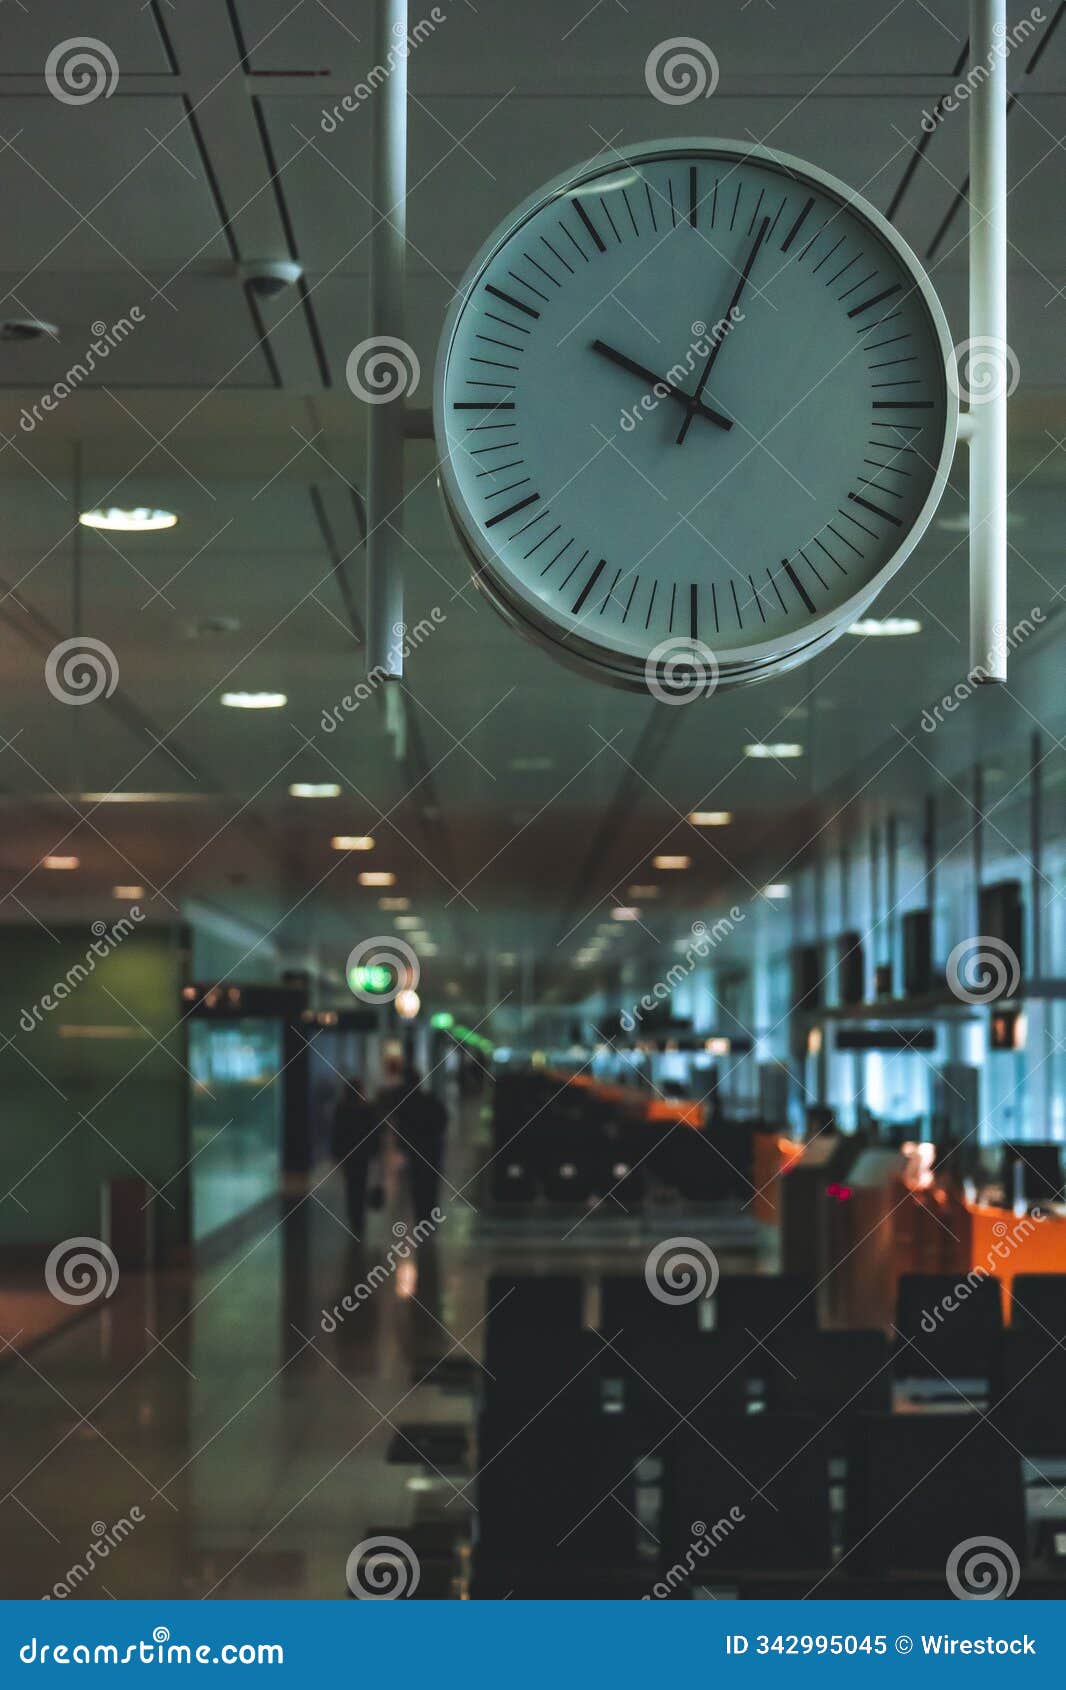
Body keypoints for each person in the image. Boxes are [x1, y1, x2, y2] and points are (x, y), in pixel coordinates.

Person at [393, 1067, 448, 1226]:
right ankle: (429, 1215)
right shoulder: (429, 1100)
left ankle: (421, 1216)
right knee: (430, 1183)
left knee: (418, 1184)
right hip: (431, 1149)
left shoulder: (407, 1103)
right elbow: (442, 1120)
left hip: (416, 1150)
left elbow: (402, 1127)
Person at [331, 1077, 382, 1235]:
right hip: (363, 1154)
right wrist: (375, 1151)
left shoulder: (341, 1109)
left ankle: (355, 1217)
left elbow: (336, 1133)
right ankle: (358, 1218)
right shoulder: (367, 1109)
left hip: (348, 1155)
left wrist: (336, 1153)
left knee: (352, 1185)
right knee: (360, 1183)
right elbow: (375, 1133)